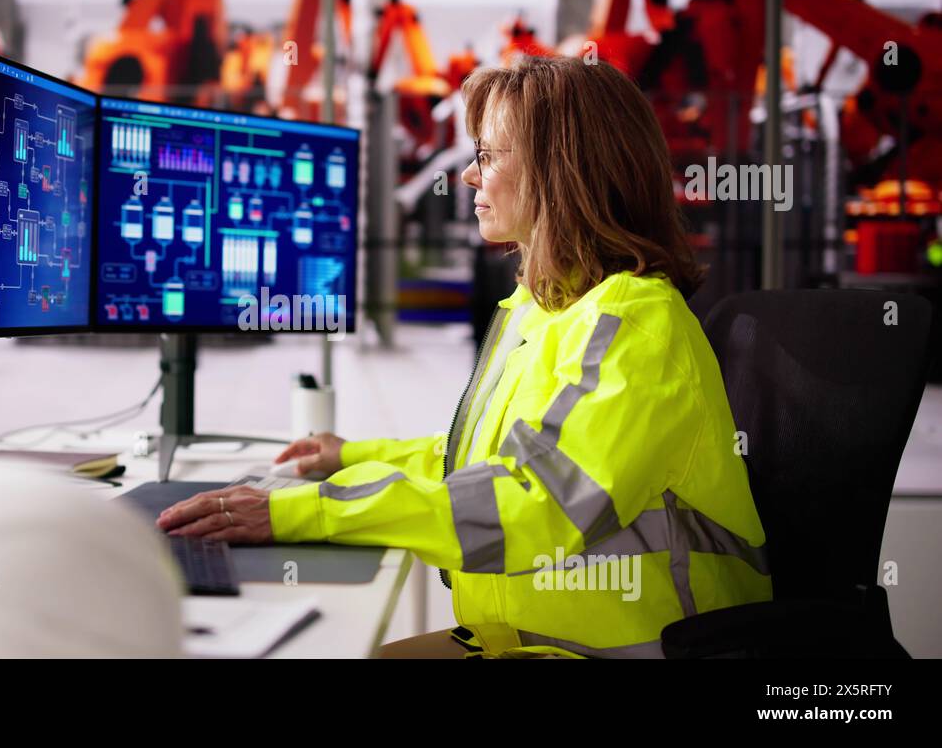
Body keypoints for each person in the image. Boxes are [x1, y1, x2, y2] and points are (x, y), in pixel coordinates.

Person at [157, 56, 772, 659]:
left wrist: (302, 512)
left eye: (487, 156)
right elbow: (486, 462)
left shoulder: (636, 323)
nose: (470, 177)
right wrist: (348, 456)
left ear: (562, 170)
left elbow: (538, 505)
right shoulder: (543, 308)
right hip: (522, 641)